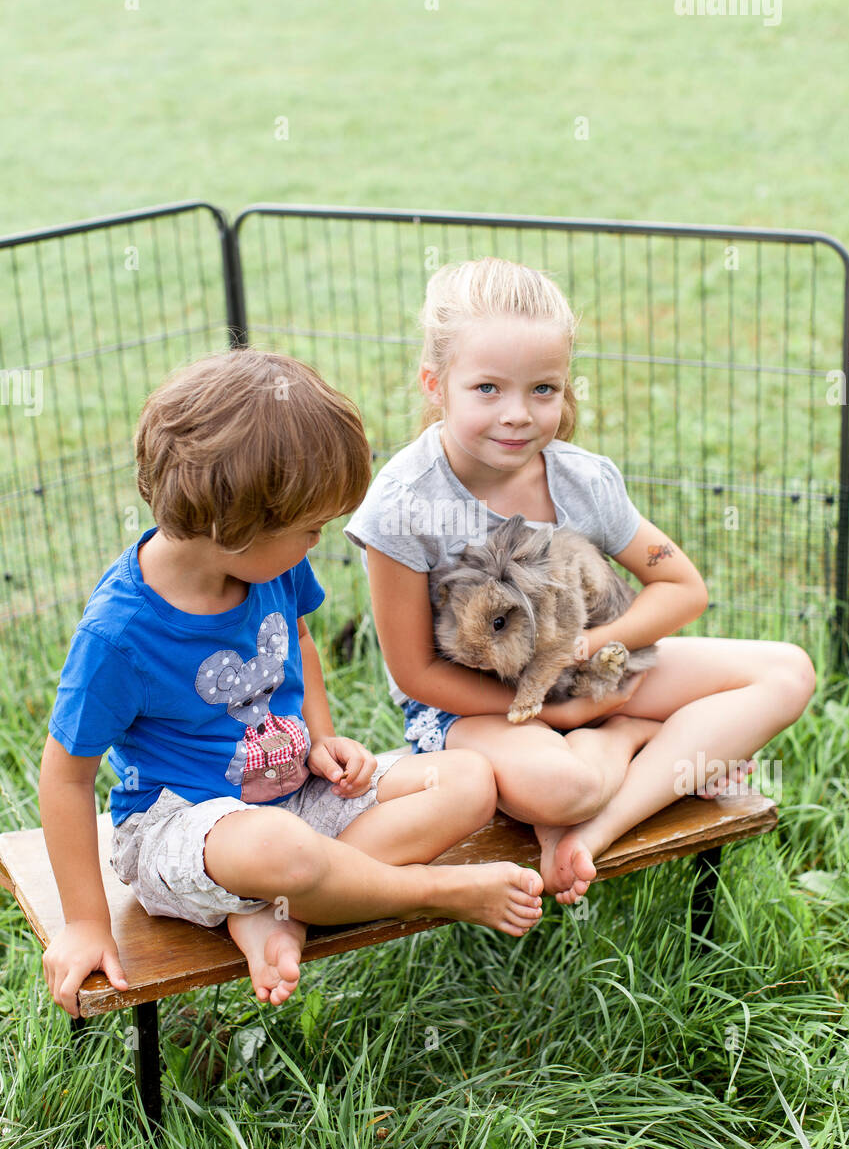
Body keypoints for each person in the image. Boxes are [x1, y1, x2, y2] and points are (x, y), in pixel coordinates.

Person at [39, 348, 544, 1019]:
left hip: (295, 792)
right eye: (310, 529)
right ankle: (432, 890)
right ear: (232, 528)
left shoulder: (266, 567)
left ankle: (284, 907)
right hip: (186, 829)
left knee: (468, 780)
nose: (316, 542)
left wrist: (323, 739)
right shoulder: (117, 635)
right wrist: (85, 924)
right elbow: (65, 777)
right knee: (277, 848)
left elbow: (298, 640)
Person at [344, 256, 817, 905]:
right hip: (473, 702)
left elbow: (681, 588)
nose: (518, 415)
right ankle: (633, 741)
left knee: (787, 672)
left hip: (587, 666)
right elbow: (417, 675)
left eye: (543, 389)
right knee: (559, 786)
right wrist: (559, 711)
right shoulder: (402, 502)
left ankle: (595, 828)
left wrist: (598, 649)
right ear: (435, 383)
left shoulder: (583, 480)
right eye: (488, 389)